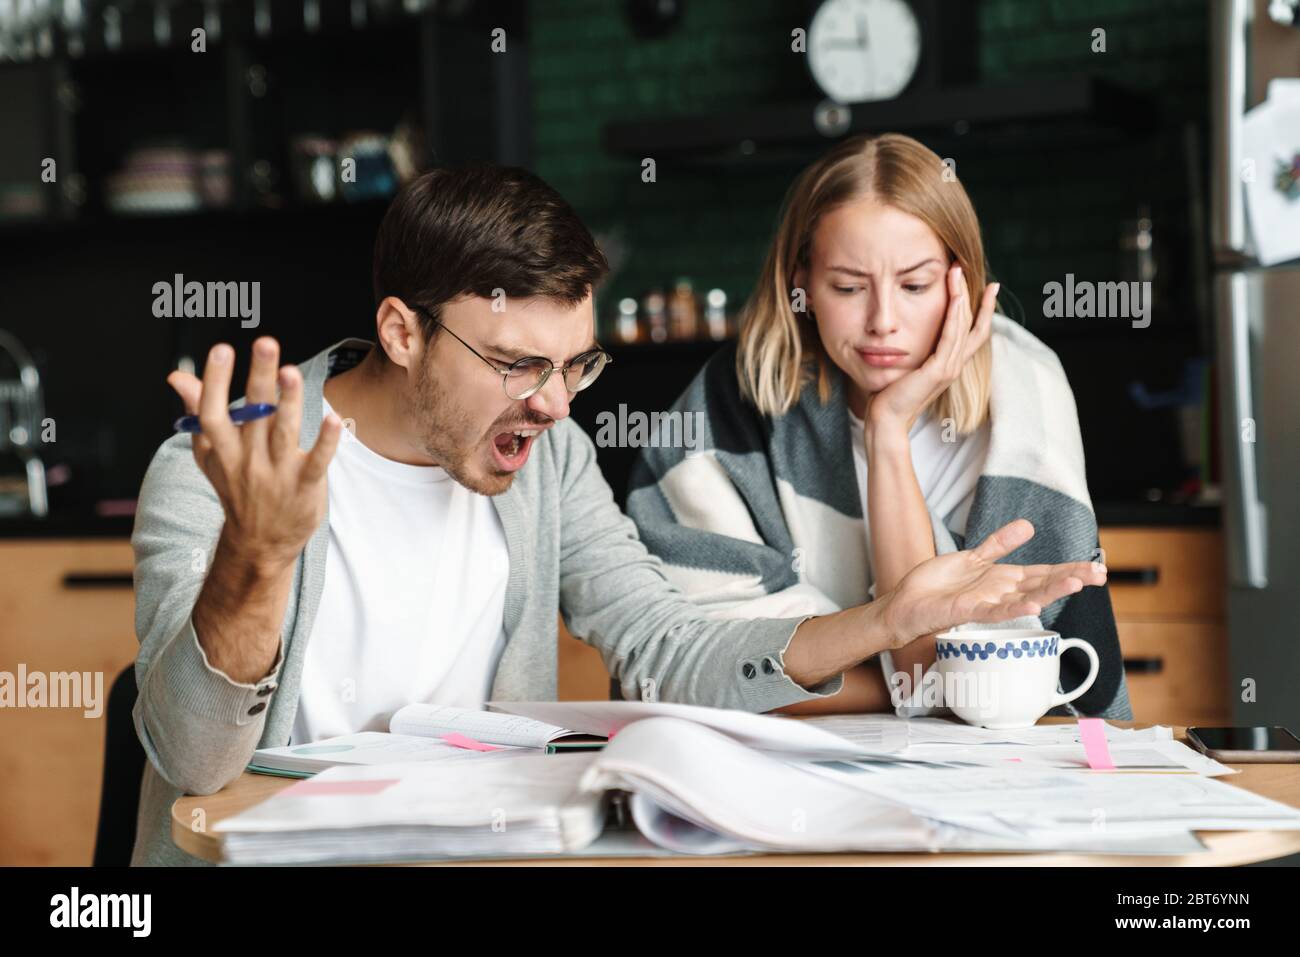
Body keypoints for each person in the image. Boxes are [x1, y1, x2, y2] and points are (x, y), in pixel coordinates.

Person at [130, 164, 1108, 865]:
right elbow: (195, 759)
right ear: (401, 329)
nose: (556, 405)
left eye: (576, 366)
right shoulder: (216, 470)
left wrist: (887, 623)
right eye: (519, 366)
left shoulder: (550, 461)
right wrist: (256, 559)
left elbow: (661, 645)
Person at [626, 134, 1130, 720]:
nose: (882, 322)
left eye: (914, 285)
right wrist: (914, 683)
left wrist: (886, 432)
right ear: (802, 286)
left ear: (957, 282)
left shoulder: (1021, 399)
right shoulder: (728, 403)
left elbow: (1009, 681)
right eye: (847, 287)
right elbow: (694, 666)